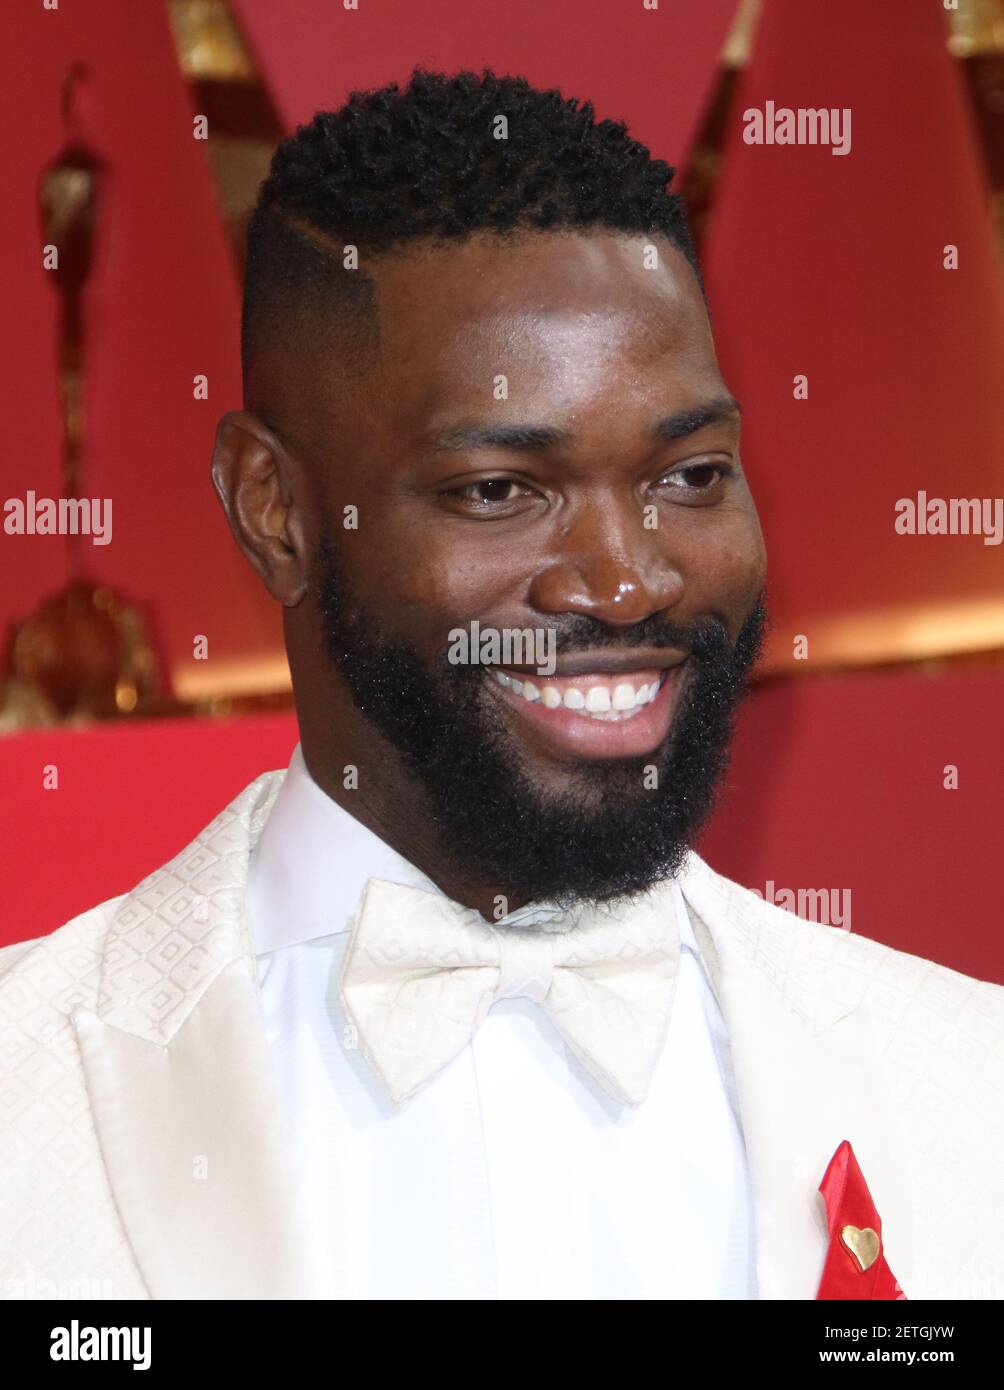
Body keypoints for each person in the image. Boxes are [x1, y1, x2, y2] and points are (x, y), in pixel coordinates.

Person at [2, 68, 1001, 1302]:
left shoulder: (968, 1085)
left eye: (687, 474)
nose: (626, 582)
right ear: (275, 511)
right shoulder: (27, 1090)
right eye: (498, 492)